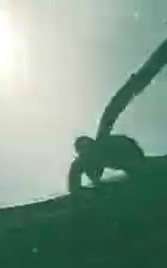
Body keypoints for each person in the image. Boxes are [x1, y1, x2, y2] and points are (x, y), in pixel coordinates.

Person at [69, 36, 166, 192]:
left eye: (86, 147)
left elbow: (117, 104)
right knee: (141, 170)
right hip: (128, 160)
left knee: (141, 170)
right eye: (82, 150)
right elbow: (76, 177)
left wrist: (144, 75)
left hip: (129, 154)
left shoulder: (101, 139)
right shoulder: (83, 161)